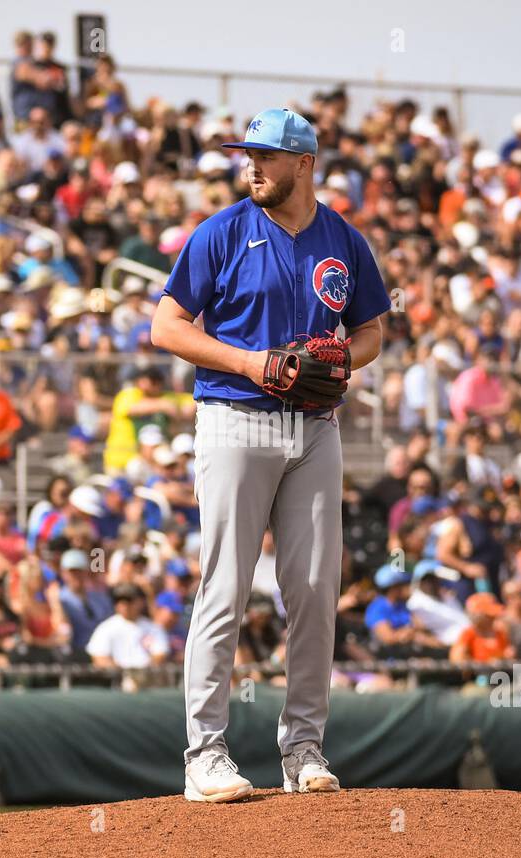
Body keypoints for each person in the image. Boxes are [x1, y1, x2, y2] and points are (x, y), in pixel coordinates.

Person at [151, 108, 388, 802]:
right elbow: (166, 325)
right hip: (234, 419)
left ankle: (304, 750)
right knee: (223, 586)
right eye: (246, 155)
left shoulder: (344, 240)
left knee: (315, 591)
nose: (251, 166)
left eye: (266, 156)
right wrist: (253, 364)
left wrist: (344, 357)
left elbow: (371, 331)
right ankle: (206, 756)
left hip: (315, 428)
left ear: (305, 163)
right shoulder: (220, 231)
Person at [85, 583, 170, 670]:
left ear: (141, 602)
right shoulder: (106, 628)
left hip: (148, 679)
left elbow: (160, 655)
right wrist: (122, 674)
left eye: (129, 600)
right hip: (117, 680)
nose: (124, 605)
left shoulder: (153, 628)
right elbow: (99, 657)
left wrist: (141, 674)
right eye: (119, 600)